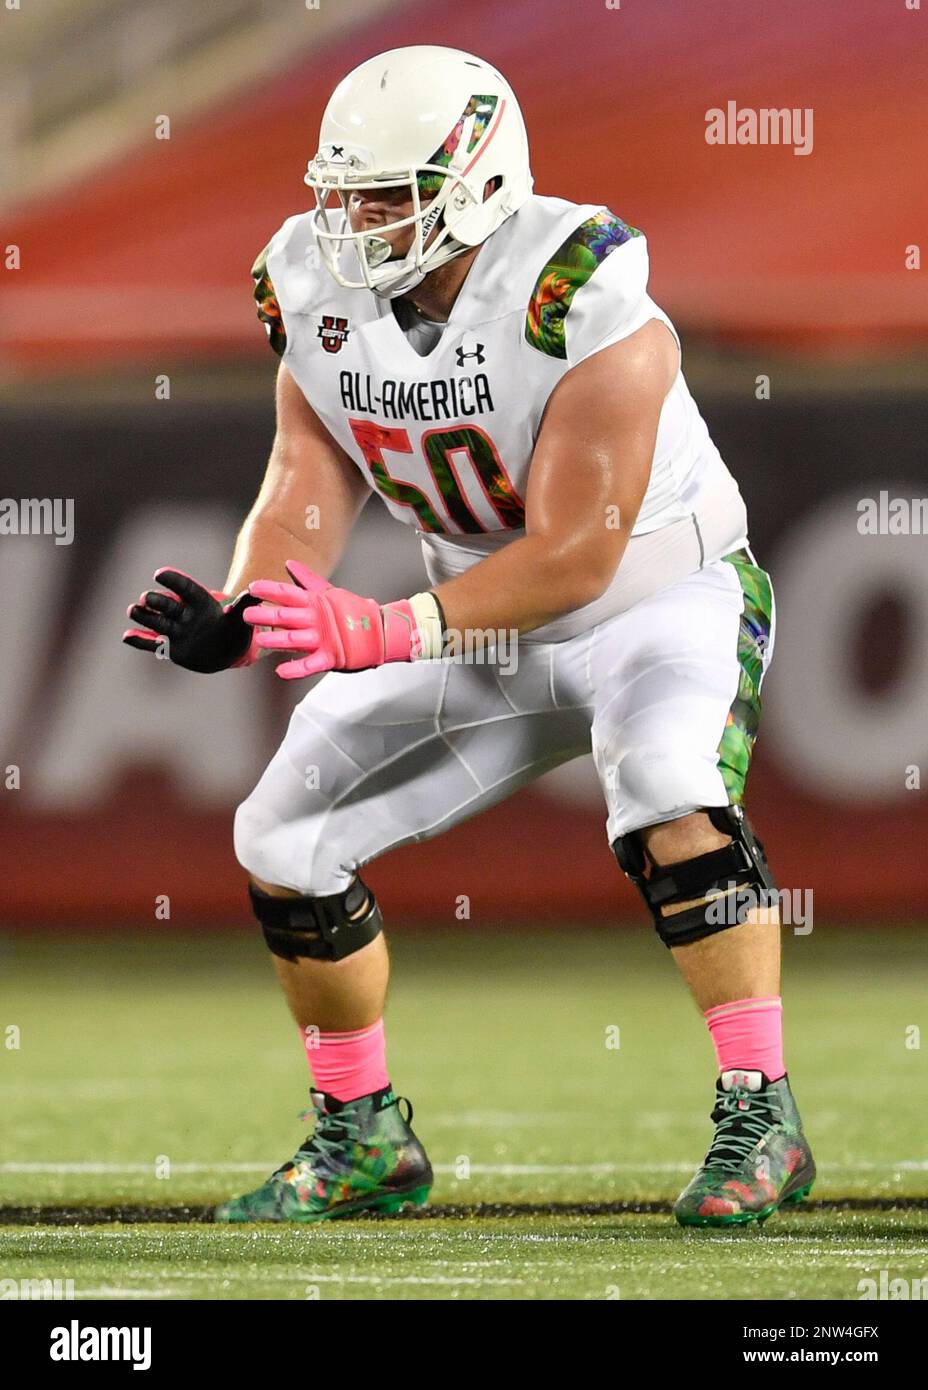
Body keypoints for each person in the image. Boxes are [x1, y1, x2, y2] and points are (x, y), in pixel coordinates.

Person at [124, 45, 815, 1227]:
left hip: (658, 595)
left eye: (387, 194)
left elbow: (580, 550)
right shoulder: (305, 281)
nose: (353, 220)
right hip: (475, 620)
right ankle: (362, 1137)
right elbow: (308, 468)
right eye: (343, 191)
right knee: (280, 831)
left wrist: (388, 627)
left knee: (661, 783)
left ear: (478, 180)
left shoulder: (577, 289)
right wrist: (246, 612)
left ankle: (763, 1113)